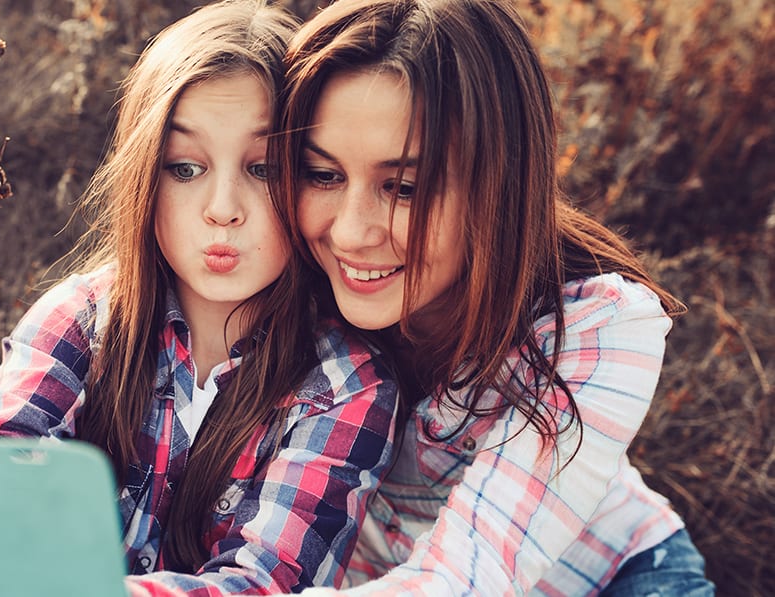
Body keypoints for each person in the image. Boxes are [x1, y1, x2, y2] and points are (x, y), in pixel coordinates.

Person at [0, 1, 399, 595]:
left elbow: (258, 584)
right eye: (185, 167)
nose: (222, 210)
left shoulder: (345, 384)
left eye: (261, 168)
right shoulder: (81, 318)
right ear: (144, 174)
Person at [270, 0, 715, 595]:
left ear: (497, 184)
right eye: (323, 175)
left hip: (615, 579)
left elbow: (472, 572)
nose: (351, 232)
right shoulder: (278, 282)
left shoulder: (600, 324)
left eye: (403, 187)